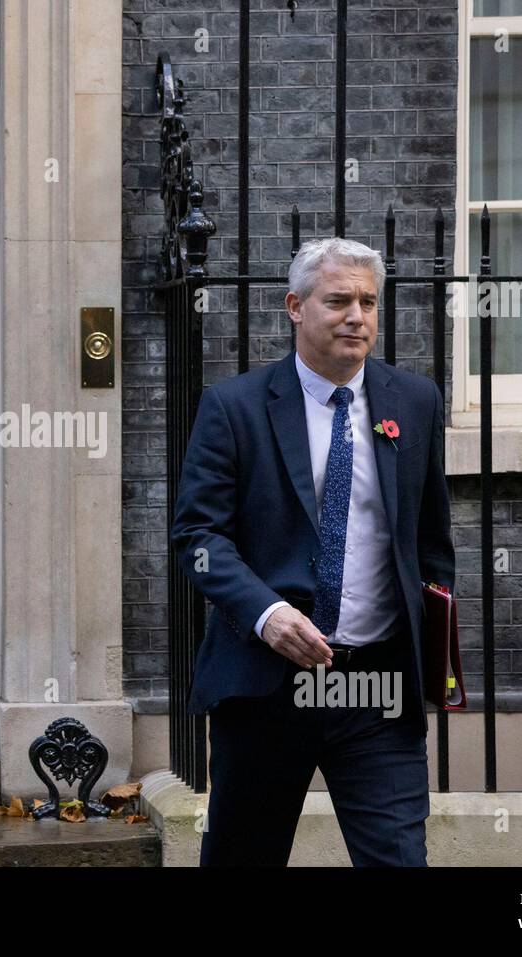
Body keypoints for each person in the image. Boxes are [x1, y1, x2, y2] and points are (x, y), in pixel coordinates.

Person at [170, 237, 455, 866]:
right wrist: (267, 614)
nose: (357, 316)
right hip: (270, 687)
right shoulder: (234, 407)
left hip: (376, 685)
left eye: (369, 302)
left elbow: (432, 541)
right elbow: (196, 539)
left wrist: (435, 651)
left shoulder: (414, 401)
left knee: (399, 862)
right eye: (339, 301)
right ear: (295, 307)